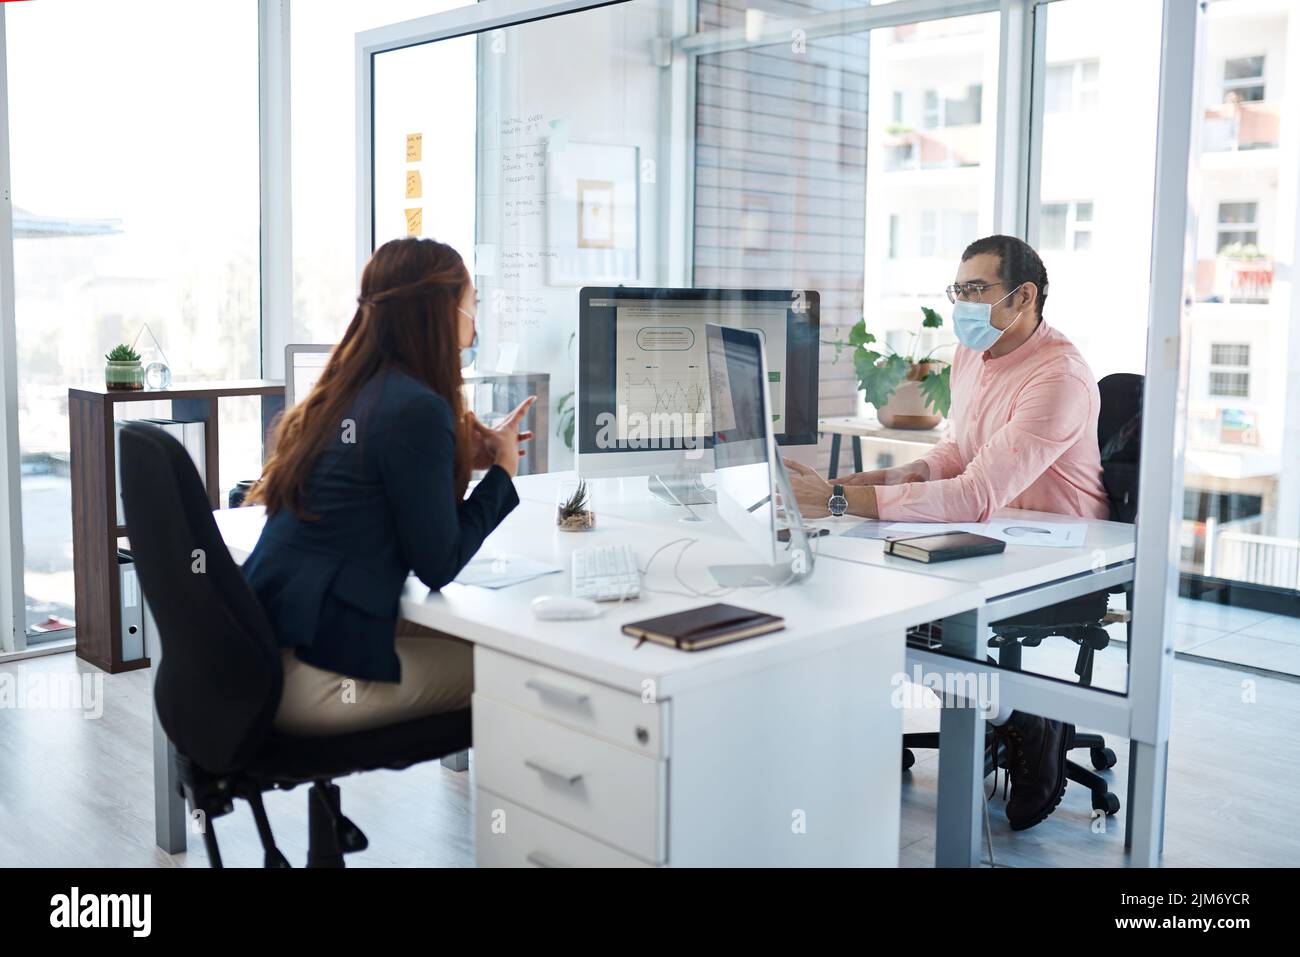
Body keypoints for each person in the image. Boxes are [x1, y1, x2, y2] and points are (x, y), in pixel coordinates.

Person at [786, 234, 1109, 831]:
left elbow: (973, 493)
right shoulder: (972, 354)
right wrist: (866, 479)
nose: (962, 302)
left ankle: (1027, 716)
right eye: (957, 289)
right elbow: (959, 452)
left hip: (1060, 555)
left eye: (975, 289)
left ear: (1024, 296)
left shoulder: (1059, 376)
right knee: (871, 593)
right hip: (985, 534)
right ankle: (1010, 708)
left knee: (910, 603)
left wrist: (836, 499)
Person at [242, 237, 533, 736]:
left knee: (488, 644)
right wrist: (502, 473)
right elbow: (438, 566)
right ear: (445, 309)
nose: (475, 321)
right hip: (316, 677)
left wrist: (456, 460)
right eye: (473, 303)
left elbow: (387, 495)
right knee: (526, 670)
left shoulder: (350, 391)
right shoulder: (418, 408)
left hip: (266, 651)